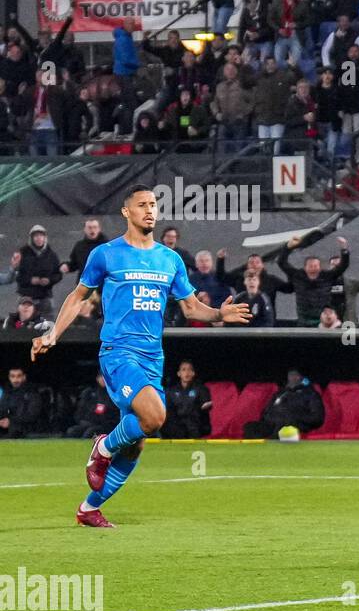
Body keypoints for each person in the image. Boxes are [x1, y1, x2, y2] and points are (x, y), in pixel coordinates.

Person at [30, 184, 251, 527]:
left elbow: (192, 308)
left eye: (153, 204)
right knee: (155, 417)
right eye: (142, 205)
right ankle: (102, 447)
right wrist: (53, 334)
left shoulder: (170, 259)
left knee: (137, 442)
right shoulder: (105, 254)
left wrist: (220, 314)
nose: (150, 210)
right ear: (126, 212)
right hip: (119, 352)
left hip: (152, 357)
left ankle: (89, 509)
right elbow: (77, 296)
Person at [277, 234, 350, 326]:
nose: (313, 268)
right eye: (311, 266)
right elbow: (281, 262)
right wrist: (288, 247)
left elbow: (342, 266)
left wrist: (344, 249)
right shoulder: (298, 275)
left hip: (323, 319)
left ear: (320, 267)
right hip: (303, 318)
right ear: (305, 267)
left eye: (316, 266)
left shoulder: (327, 276)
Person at [244, 370, 325, 439]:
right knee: (250, 427)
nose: (291, 378)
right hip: (272, 424)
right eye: (290, 375)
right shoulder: (280, 393)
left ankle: (272, 444)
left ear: (301, 377)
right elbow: (266, 411)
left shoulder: (310, 394)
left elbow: (317, 418)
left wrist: (294, 417)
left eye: (295, 375)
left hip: (293, 426)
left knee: (283, 426)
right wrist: (268, 417)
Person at [16, 223, 62, 316]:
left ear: (45, 238)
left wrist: (49, 280)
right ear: (31, 238)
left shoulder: (52, 255)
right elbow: (17, 275)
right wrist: (30, 280)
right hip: (26, 297)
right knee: (24, 326)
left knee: (47, 325)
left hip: (45, 296)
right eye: (36, 236)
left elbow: (58, 274)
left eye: (41, 236)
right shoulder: (22, 253)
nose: (39, 238)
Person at [161, 360, 211, 438]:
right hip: (176, 427)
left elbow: (206, 405)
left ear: (193, 373)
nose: (187, 372)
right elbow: (168, 411)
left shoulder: (201, 389)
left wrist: (206, 406)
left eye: (189, 370)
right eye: (183, 369)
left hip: (195, 425)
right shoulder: (171, 391)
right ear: (179, 373)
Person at [66, 372, 119, 439]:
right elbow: (81, 410)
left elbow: (115, 414)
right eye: (101, 377)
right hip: (88, 423)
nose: (103, 379)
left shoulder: (114, 395)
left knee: (89, 433)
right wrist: (83, 421)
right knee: (72, 431)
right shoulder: (91, 393)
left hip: (105, 425)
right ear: (97, 378)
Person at [0, 366, 46, 437]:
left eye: (19, 376)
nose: (15, 380)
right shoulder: (7, 393)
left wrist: (11, 422)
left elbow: (32, 416)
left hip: (29, 433)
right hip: (8, 432)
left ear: (24, 377)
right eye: (12, 376)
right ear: (9, 377)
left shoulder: (32, 393)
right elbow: (2, 410)